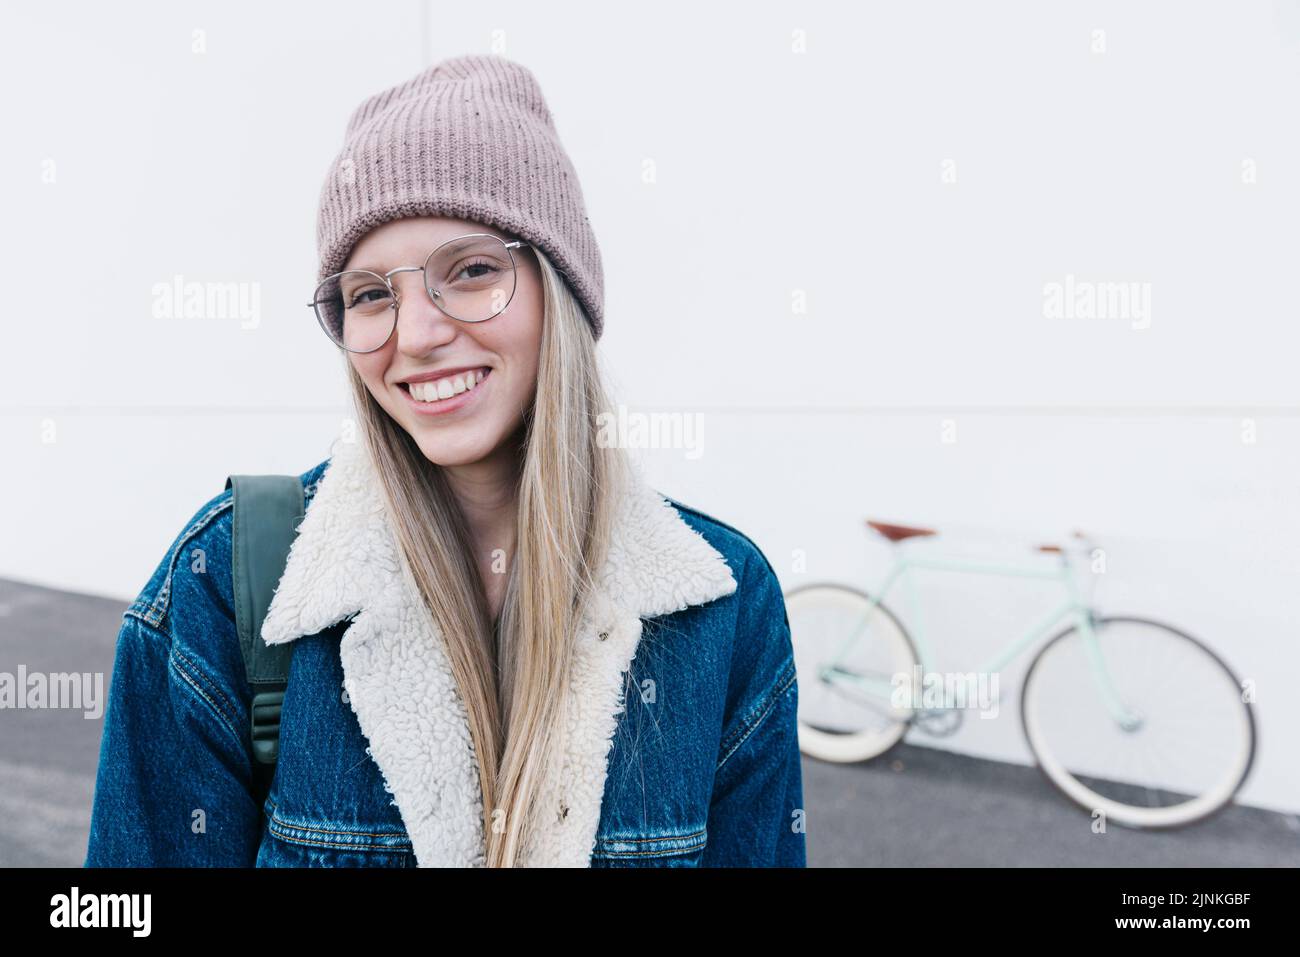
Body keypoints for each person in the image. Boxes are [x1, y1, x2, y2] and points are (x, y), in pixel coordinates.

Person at [84, 53, 805, 868]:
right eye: (370, 294)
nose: (417, 334)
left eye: (469, 271)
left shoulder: (723, 607)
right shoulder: (225, 582)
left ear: (558, 289)